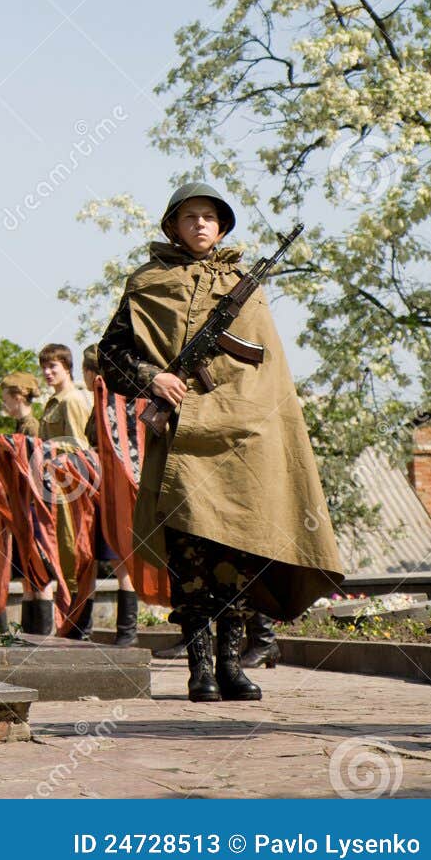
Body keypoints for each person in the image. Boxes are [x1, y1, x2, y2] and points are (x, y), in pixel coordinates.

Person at [98, 181, 343, 704]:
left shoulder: (245, 286)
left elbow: (267, 371)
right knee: (190, 561)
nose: (201, 224)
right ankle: (200, 668)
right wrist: (153, 380)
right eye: (189, 216)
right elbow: (111, 355)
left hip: (238, 445)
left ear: (223, 226)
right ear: (172, 226)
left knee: (237, 556)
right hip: (182, 446)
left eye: (209, 216)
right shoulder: (147, 283)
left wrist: (236, 415)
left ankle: (232, 665)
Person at [80, 345, 141, 647]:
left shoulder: (112, 401)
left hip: (114, 490)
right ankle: (122, 633)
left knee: (122, 561)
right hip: (101, 489)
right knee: (117, 562)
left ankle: (127, 634)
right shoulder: (100, 402)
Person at [34, 344, 96, 637]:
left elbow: (80, 448)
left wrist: (49, 449)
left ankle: (80, 623)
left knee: (73, 551)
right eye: (44, 367)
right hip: (54, 486)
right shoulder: (54, 401)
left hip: (71, 487)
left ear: (67, 368)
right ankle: (72, 620)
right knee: (60, 551)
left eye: (53, 367)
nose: (47, 372)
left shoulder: (71, 400)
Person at [0, 371, 39, 437]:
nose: (3, 405)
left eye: (5, 401)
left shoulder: (31, 427)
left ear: (17, 398)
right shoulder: (21, 425)